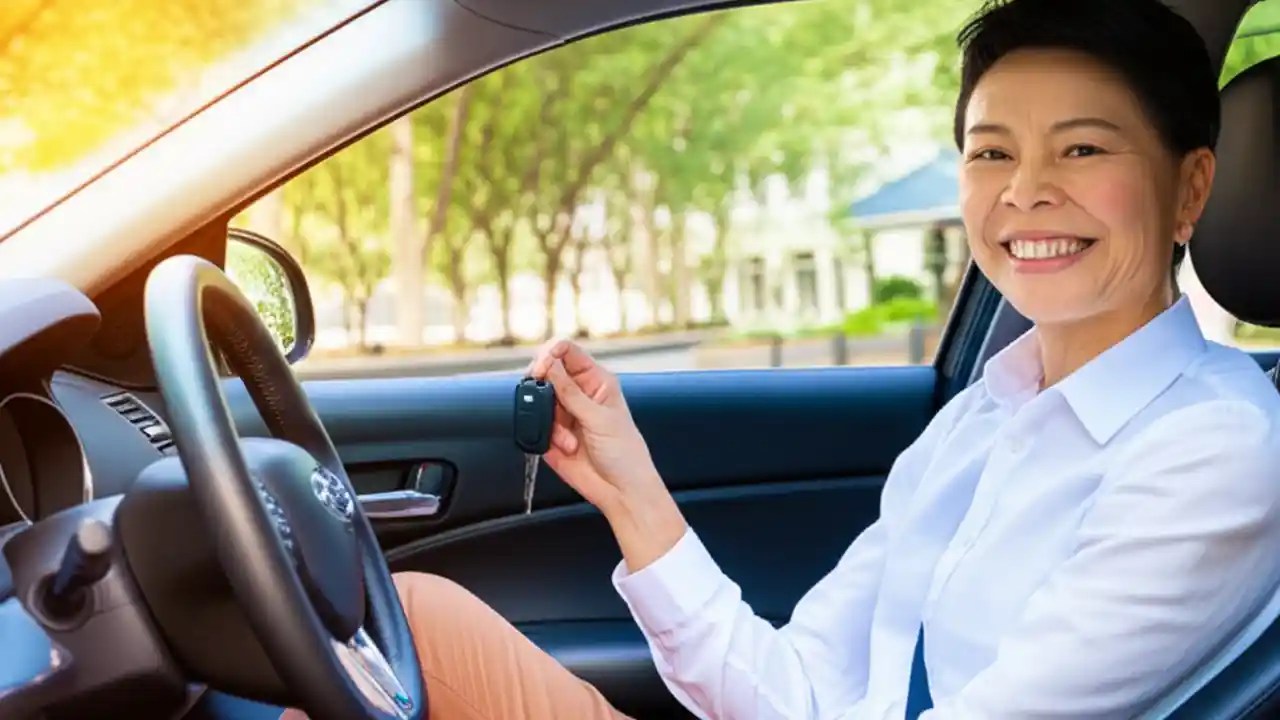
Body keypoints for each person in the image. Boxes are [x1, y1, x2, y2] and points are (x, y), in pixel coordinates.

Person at [286, 0, 1280, 717]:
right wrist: (631, 493)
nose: (1024, 192)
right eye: (990, 152)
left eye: (1081, 150)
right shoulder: (986, 416)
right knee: (408, 622)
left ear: (1190, 189)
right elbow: (794, 688)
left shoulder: (1215, 452)